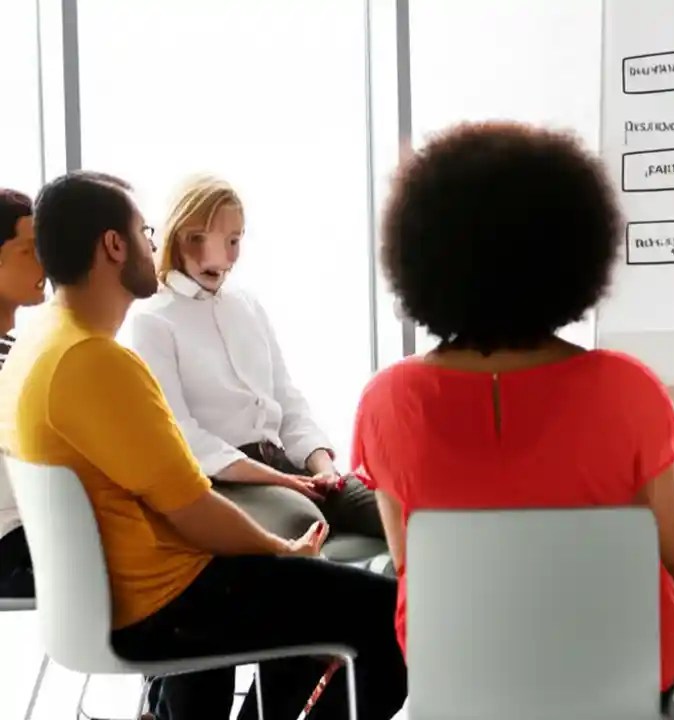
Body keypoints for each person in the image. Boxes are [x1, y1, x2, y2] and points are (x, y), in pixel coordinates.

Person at [0, 171, 405, 720]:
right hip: (165, 601)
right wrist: (280, 551)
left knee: (324, 599)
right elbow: (192, 507)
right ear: (114, 246)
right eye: (143, 232)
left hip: (126, 593)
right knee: (397, 619)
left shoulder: (40, 344)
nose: (152, 244)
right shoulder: (97, 361)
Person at [349, 121, 674, 707]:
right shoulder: (629, 388)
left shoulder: (387, 401)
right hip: (622, 671)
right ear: (575, 248)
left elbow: (413, 564)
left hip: (456, 676)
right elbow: (667, 559)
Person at [128, 176, 382, 541]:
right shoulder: (152, 320)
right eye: (202, 239)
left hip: (288, 465)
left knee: (398, 507)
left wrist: (324, 469)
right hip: (228, 481)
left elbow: (288, 400)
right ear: (178, 237)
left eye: (235, 241)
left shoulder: (246, 305)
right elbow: (182, 437)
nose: (226, 257)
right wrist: (281, 480)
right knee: (304, 521)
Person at [0, 188, 47, 599]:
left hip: (34, 531)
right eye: (29, 250)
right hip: (11, 545)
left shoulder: (16, 353)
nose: (44, 262)